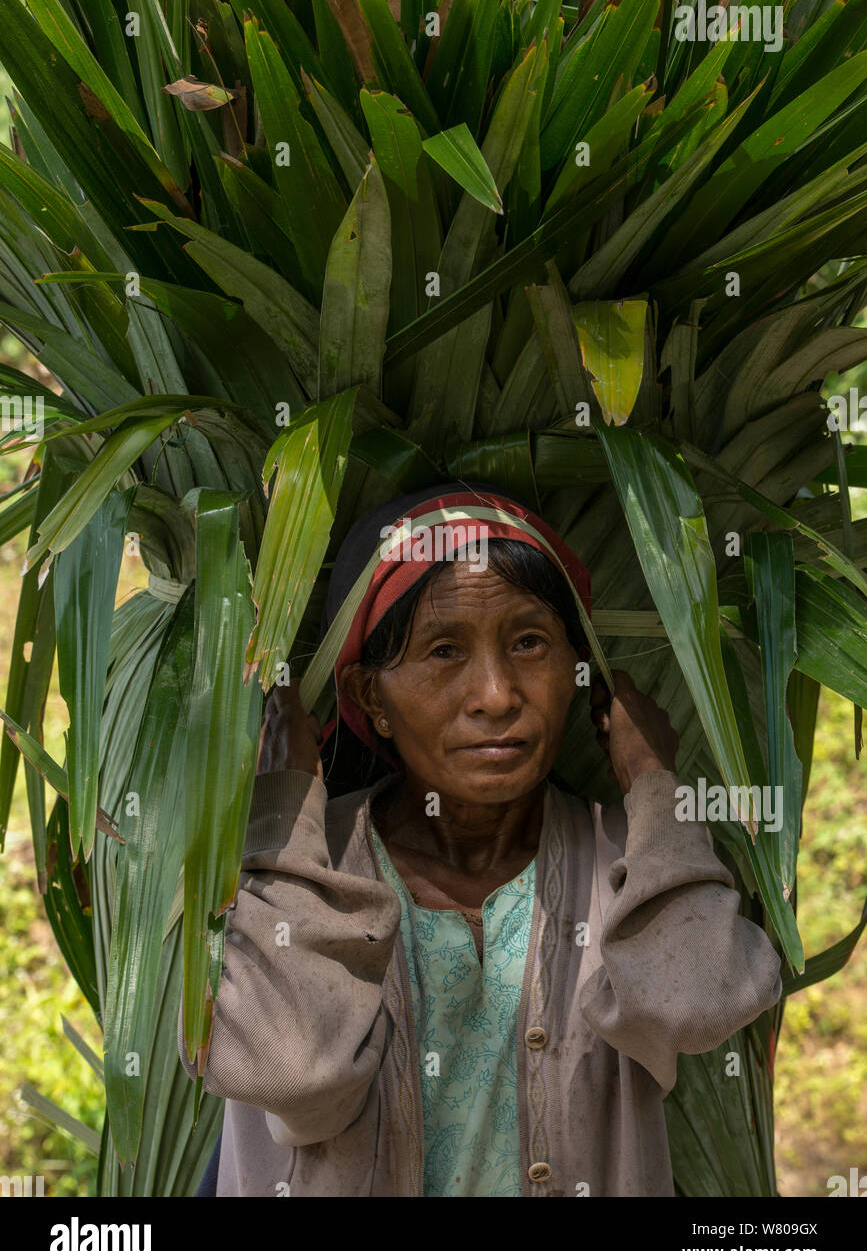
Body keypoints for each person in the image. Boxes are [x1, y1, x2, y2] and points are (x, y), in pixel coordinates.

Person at [178, 480, 782, 1197]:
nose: (496, 694)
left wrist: (652, 782)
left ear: (575, 673)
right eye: (442, 651)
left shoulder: (628, 865)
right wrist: (282, 809)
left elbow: (697, 1005)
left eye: (529, 643)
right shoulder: (284, 877)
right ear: (371, 698)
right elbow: (295, 1071)